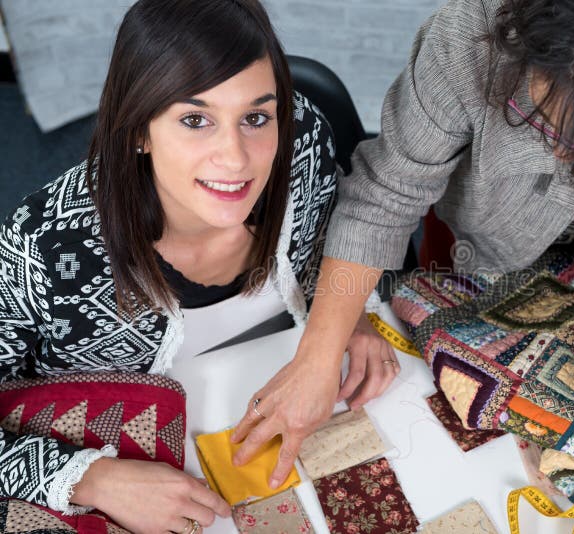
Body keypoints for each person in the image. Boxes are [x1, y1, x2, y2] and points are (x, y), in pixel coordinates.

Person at [232, 0, 574, 487]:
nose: (561, 155)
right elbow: (386, 197)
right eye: (547, 123)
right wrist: (317, 355)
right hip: (477, 254)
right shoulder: (468, 36)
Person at [0, 0, 394, 531]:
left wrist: (351, 314)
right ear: (138, 128)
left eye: (255, 117)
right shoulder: (39, 247)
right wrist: (91, 478)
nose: (235, 158)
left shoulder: (301, 144)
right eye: (194, 120)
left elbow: (337, 243)